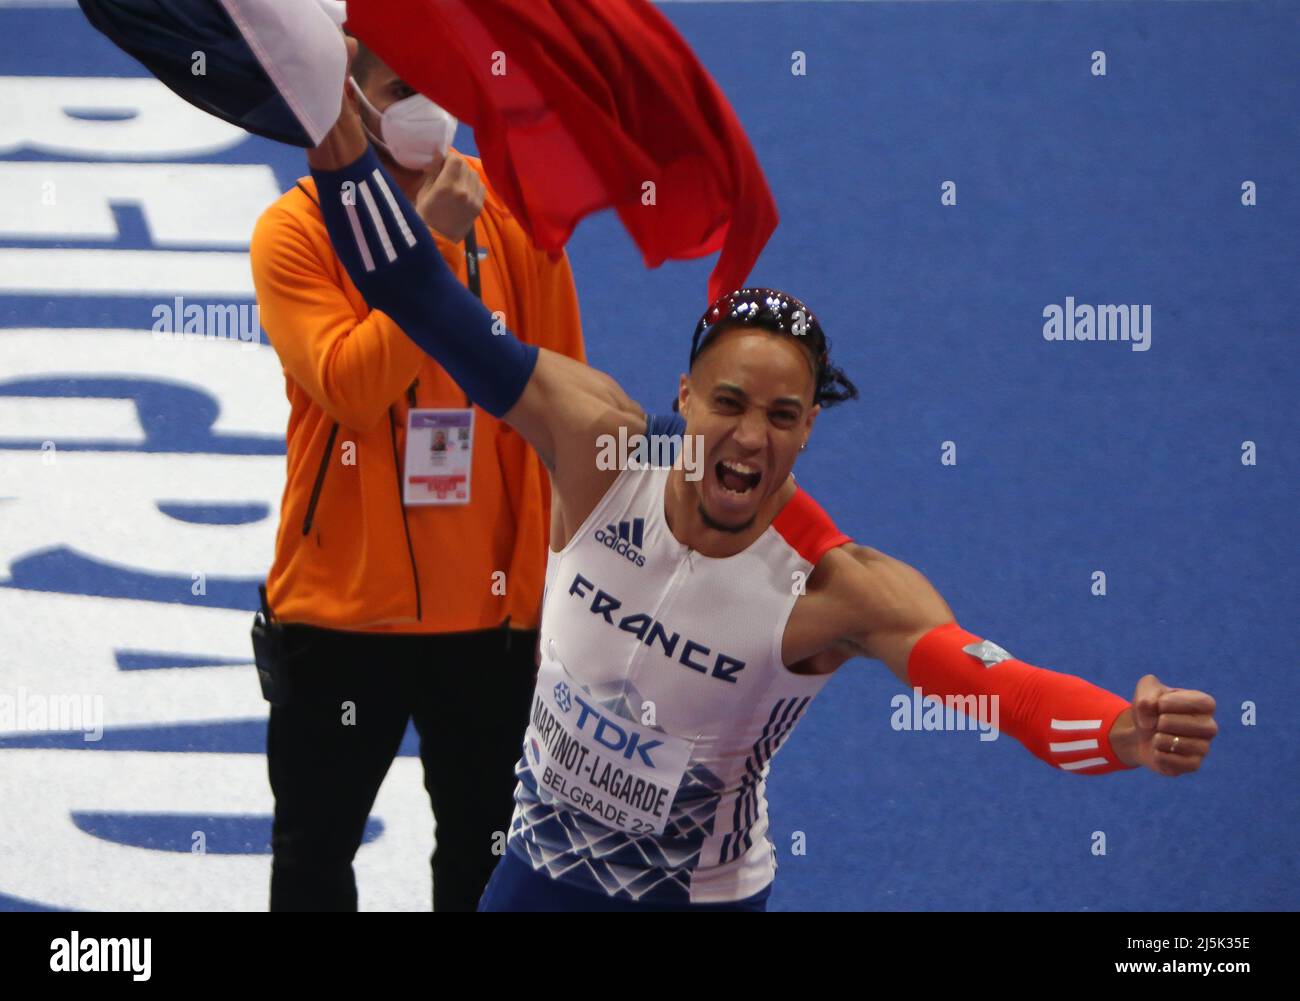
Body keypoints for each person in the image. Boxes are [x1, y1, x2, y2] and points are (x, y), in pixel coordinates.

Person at [303, 41, 1219, 911]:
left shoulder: (833, 587)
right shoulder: (599, 450)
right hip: (537, 874)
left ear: (810, 428)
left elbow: (1004, 691)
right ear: (684, 397)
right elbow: (420, 295)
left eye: (783, 417)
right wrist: (328, 111)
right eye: (729, 403)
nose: (750, 438)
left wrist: (1121, 735)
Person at [249, 37, 586, 911]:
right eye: (404, 88)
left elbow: (566, 407)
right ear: (350, 99)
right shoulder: (294, 231)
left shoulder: (515, 211)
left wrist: (562, 600)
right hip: (342, 614)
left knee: (483, 864)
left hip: (490, 616)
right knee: (315, 857)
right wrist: (431, 244)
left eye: (442, 84)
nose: (428, 105)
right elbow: (353, 390)